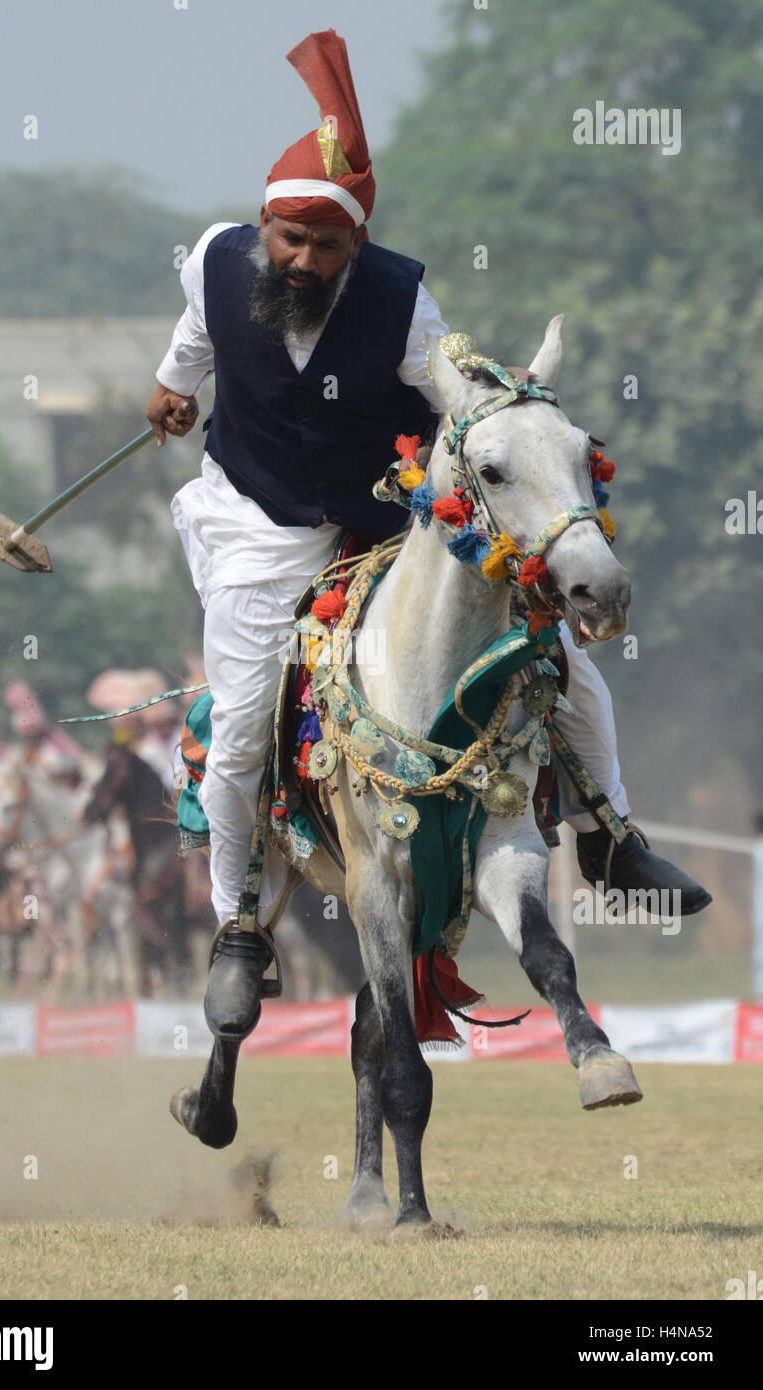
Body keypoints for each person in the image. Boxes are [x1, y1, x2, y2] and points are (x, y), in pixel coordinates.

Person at [145, 29, 710, 1039]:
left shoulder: (404, 302)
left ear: (355, 244)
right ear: (265, 228)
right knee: (235, 730)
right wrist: (171, 390)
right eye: (290, 241)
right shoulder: (215, 262)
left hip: (375, 522)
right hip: (257, 525)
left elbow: (455, 392)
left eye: (325, 246)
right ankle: (240, 922)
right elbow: (191, 341)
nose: (303, 261)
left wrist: (516, 426)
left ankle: (612, 833)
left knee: (572, 671)